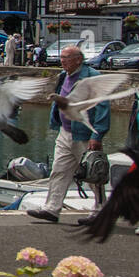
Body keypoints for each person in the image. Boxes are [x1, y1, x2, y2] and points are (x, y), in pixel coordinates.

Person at [28, 44, 110, 225]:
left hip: (85, 134)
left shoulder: (92, 77)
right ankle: (52, 209)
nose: (62, 61)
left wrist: (97, 135)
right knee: (59, 170)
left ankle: (100, 212)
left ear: (78, 59)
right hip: (65, 132)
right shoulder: (64, 76)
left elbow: (103, 106)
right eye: (62, 57)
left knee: (93, 174)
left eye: (66, 57)